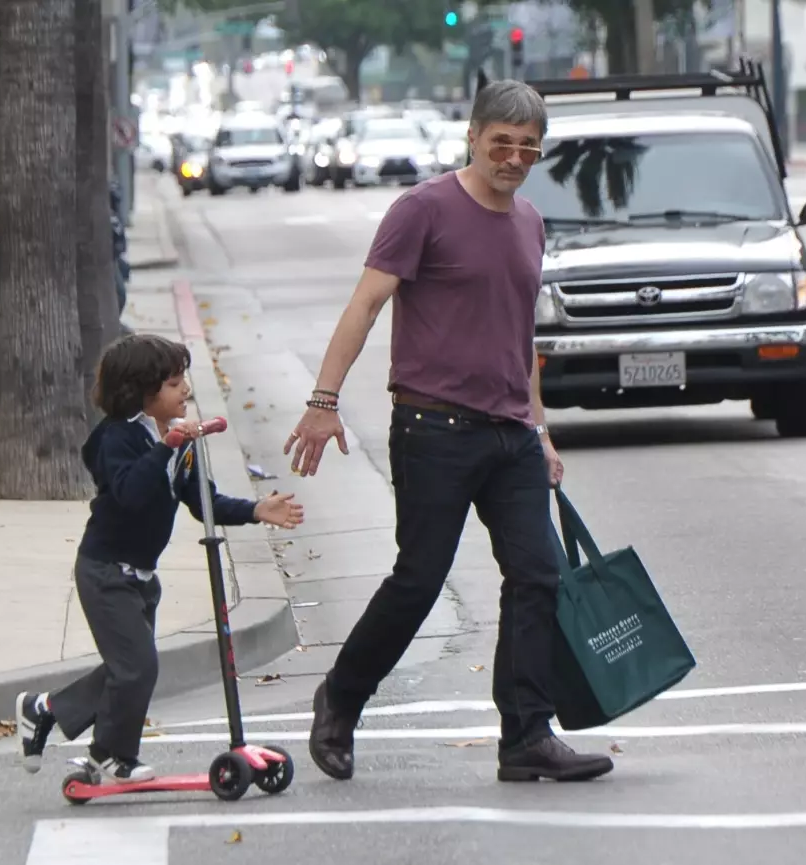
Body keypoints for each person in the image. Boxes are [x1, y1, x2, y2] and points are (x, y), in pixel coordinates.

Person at [283, 79, 615, 784]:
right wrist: (323, 398)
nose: (515, 157)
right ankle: (340, 698)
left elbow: (520, 334)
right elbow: (367, 302)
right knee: (419, 579)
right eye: (502, 142)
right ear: (473, 135)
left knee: (539, 576)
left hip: (511, 436)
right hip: (434, 428)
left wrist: (542, 430)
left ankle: (527, 733)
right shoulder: (423, 209)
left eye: (529, 147)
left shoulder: (530, 221)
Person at [15, 333, 305, 783]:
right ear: (141, 393)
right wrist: (166, 446)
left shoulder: (178, 443)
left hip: (140, 576)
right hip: (104, 570)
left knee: (127, 668)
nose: (185, 389)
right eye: (173, 383)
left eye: (183, 379)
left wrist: (254, 510)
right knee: (137, 668)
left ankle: (46, 710)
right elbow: (130, 492)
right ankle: (112, 756)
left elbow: (202, 500)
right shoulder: (115, 439)